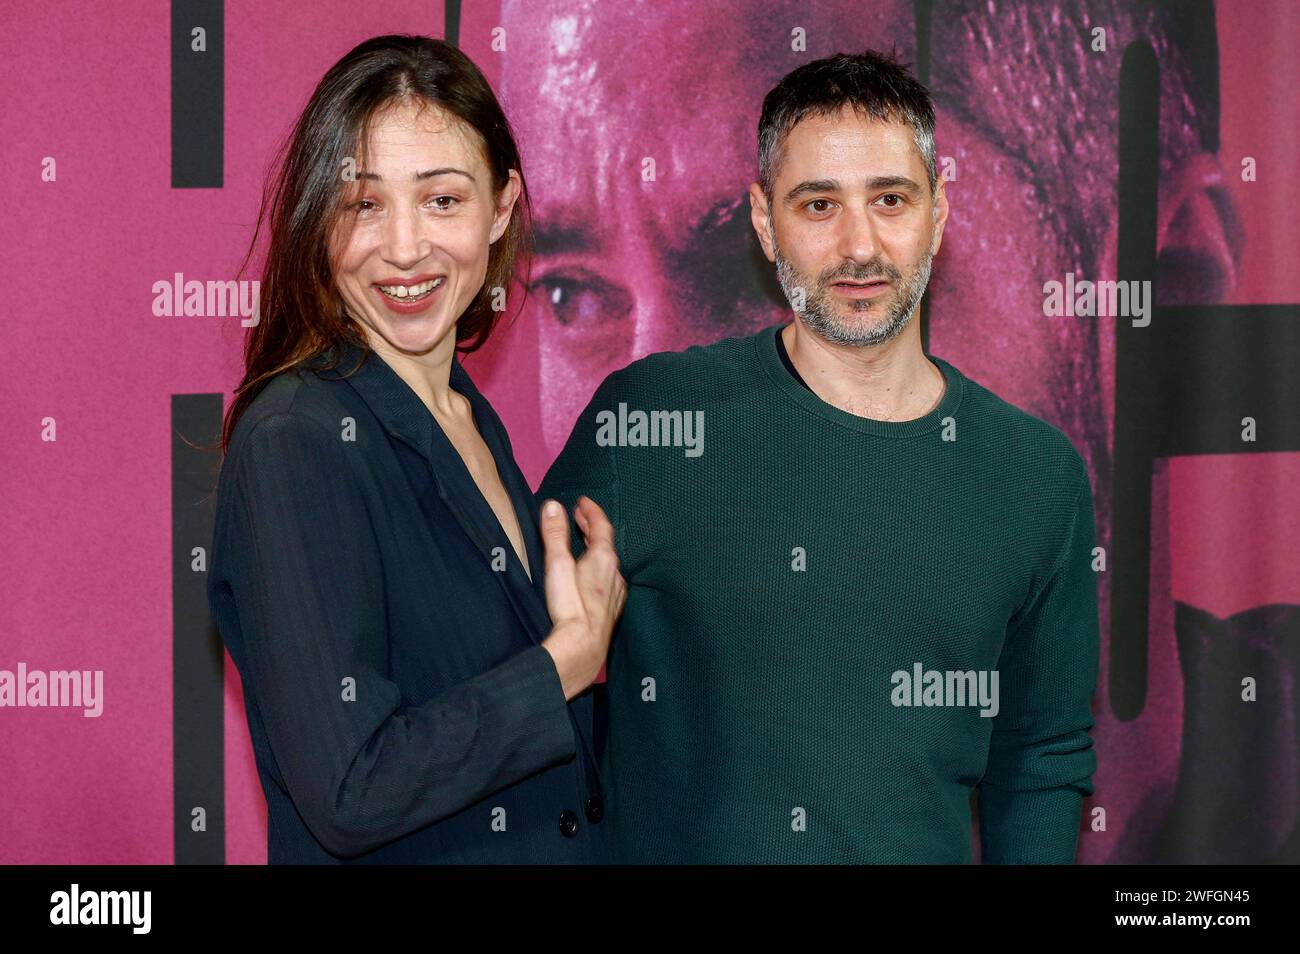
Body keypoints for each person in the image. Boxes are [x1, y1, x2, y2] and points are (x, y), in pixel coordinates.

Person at [539, 49, 1100, 863]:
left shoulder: (1037, 477)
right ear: (766, 222)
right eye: (818, 205)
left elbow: (1042, 761)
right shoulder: (648, 423)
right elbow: (514, 681)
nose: (860, 247)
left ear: (939, 214)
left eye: (891, 200)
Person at [207, 34, 625, 864]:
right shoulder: (298, 438)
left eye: (442, 200)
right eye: (363, 204)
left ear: (502, 207)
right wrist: (565, 663)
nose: (404, 247)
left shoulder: (465, 414)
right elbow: (350, 789)